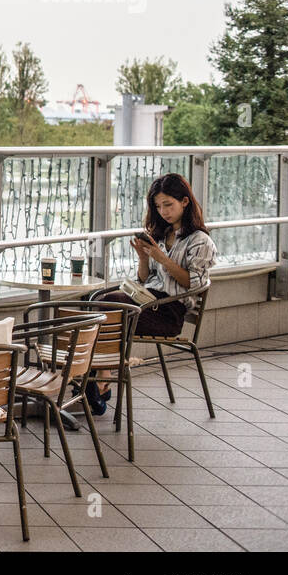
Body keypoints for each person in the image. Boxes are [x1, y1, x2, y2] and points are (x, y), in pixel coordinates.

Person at [89, 172, 216, 414]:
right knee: (98, 302)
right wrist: (144, 258)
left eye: (168, 204)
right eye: (158, 207)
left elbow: (194, 284)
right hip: (148, 303)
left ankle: (97, 376)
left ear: (185, 202)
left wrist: (162, 258)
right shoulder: (162, 234)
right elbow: (146, 280)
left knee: (110, 306)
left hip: (169, 313)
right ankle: (100, 377)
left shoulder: (200, 241)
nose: (163, 212)